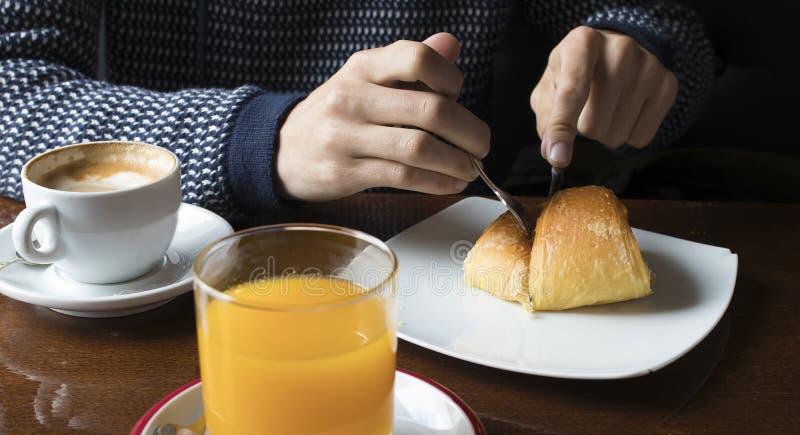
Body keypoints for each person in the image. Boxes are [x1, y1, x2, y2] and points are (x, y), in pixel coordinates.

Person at [0, 1, 714, 222]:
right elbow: (11, 88)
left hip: (444, 296)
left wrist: (640, 51)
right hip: (165, 289)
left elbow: (669, 35)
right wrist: (260, 141)